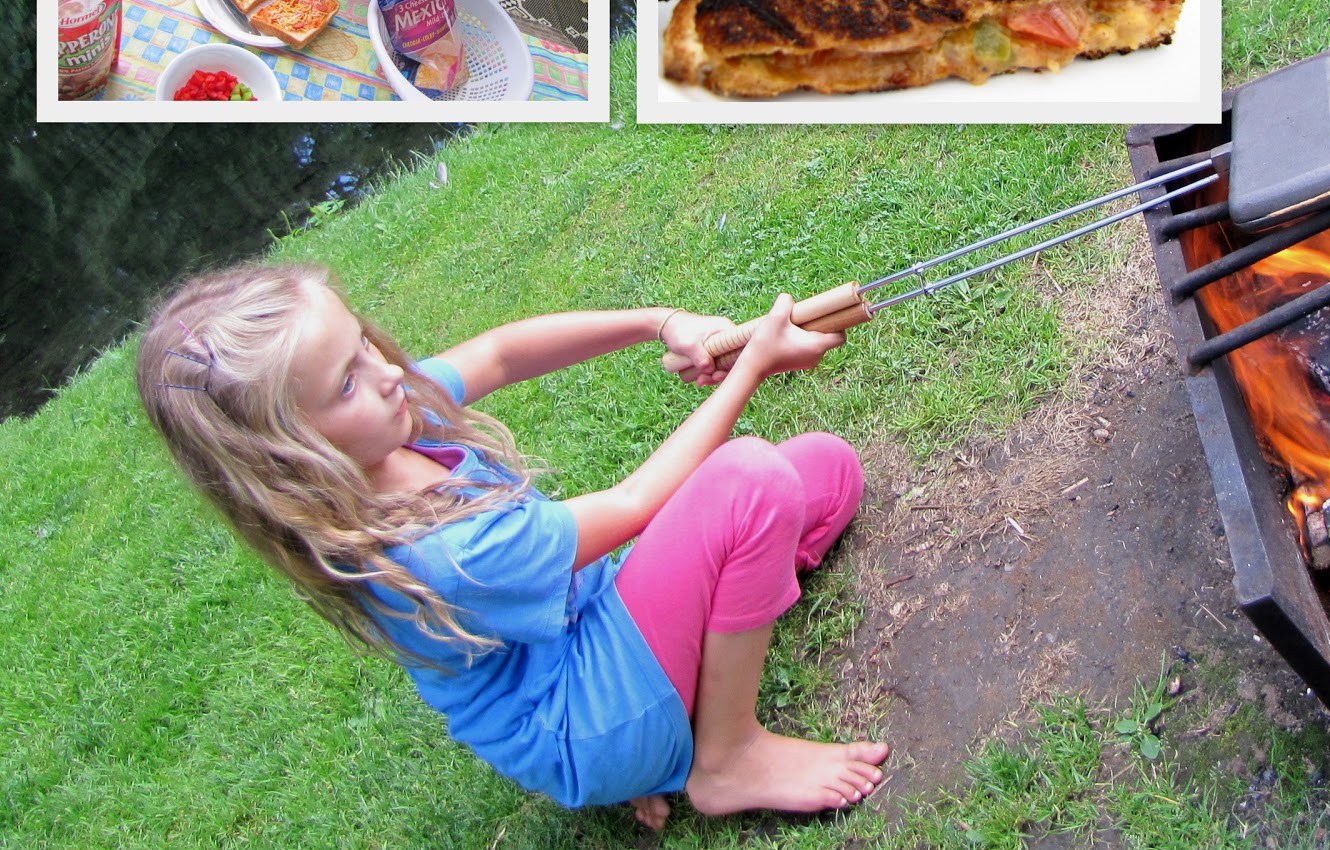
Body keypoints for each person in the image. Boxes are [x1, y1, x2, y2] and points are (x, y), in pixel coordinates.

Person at [135, 262, 889, 830]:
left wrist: (660, 322)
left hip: (590, 620)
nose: (390, 373)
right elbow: (632, 506)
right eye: (345, 384)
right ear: (290, 454)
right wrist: (752, 363)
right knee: (752, 479)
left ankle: (692, 680)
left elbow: (498, 354)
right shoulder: (437, 548)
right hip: (582, 716)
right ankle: (726, 758)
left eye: (362, 343)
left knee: (825, 472)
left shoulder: (391, 419)